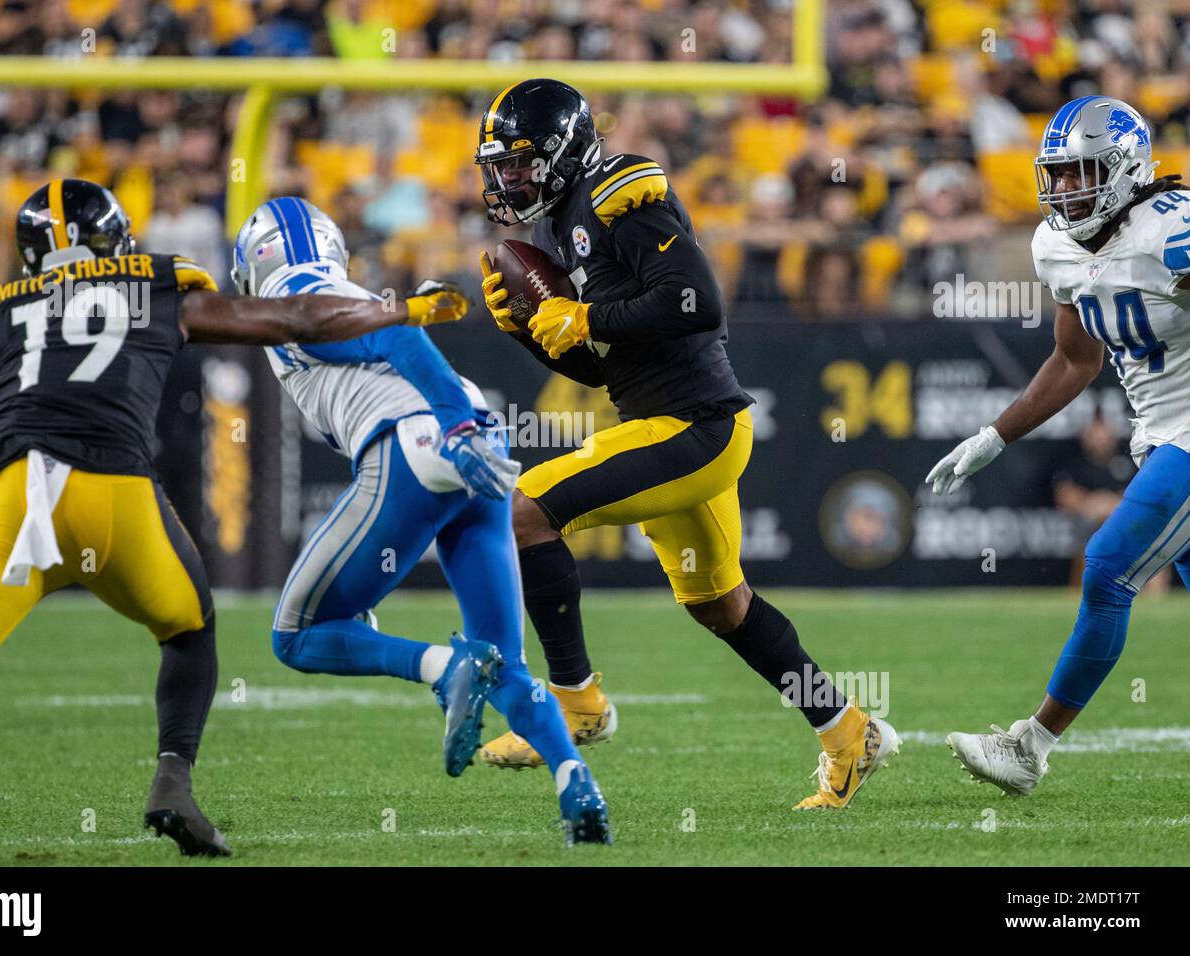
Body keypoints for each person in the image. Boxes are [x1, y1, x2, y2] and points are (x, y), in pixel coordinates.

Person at [0, 178, 467, 867]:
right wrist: (395, 311)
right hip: (118, 497)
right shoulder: (156, 283)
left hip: (19, 500)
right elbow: (297, 320)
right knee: (189, 632)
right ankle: (173, 783)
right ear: (114, 241)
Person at [474, 79, 899, 809]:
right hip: (661, 421)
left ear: (566, 151)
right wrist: (532, 330)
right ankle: (846, 729)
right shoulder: (559, 223)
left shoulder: (617, 192)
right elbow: (600, 356)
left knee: (525, 509)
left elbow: (694, 301)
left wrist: (586, 315)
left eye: (520, 162)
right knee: (721, 606)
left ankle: (576, 701)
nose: (508, 179)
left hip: (696, 426)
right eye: (500, 165)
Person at [233, 197, 611, 845]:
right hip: (473, 445)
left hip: (429, 443)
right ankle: (575, 781)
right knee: (503, 661)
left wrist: (454, 427)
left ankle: (439, 667)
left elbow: (396, 334)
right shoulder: (327, 285)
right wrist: (465, 427)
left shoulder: (296, 291)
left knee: (296, 635)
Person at [928, 96, 1188, 794]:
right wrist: (994, 434)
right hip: (1158, 435)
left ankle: (1029, 746)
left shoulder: (1172, 233)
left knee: (1107, 566)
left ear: (1126, 169)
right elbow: (1076, 361)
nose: (1068, 189)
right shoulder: (1056, 247)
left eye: (1083, 173)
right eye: (1060, 174)